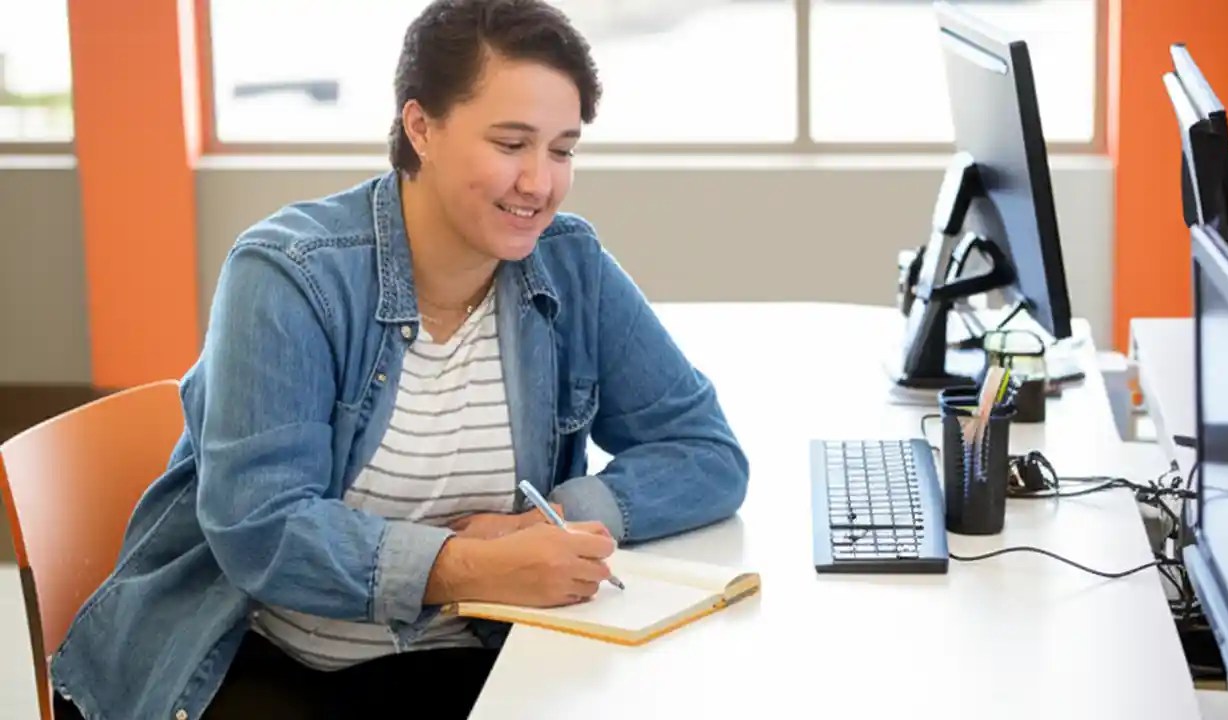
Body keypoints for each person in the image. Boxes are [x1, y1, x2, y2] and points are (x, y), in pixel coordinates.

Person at [48, 1, 749, 718]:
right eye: (511, 145)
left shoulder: (571, 265)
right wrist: (466, 564)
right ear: (422, 128)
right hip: (273, 657)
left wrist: (556, 519)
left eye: (562, 150)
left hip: (465, 651)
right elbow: (262, 527)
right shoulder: (289, 276)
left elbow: (705, 452)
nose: (540, 184)